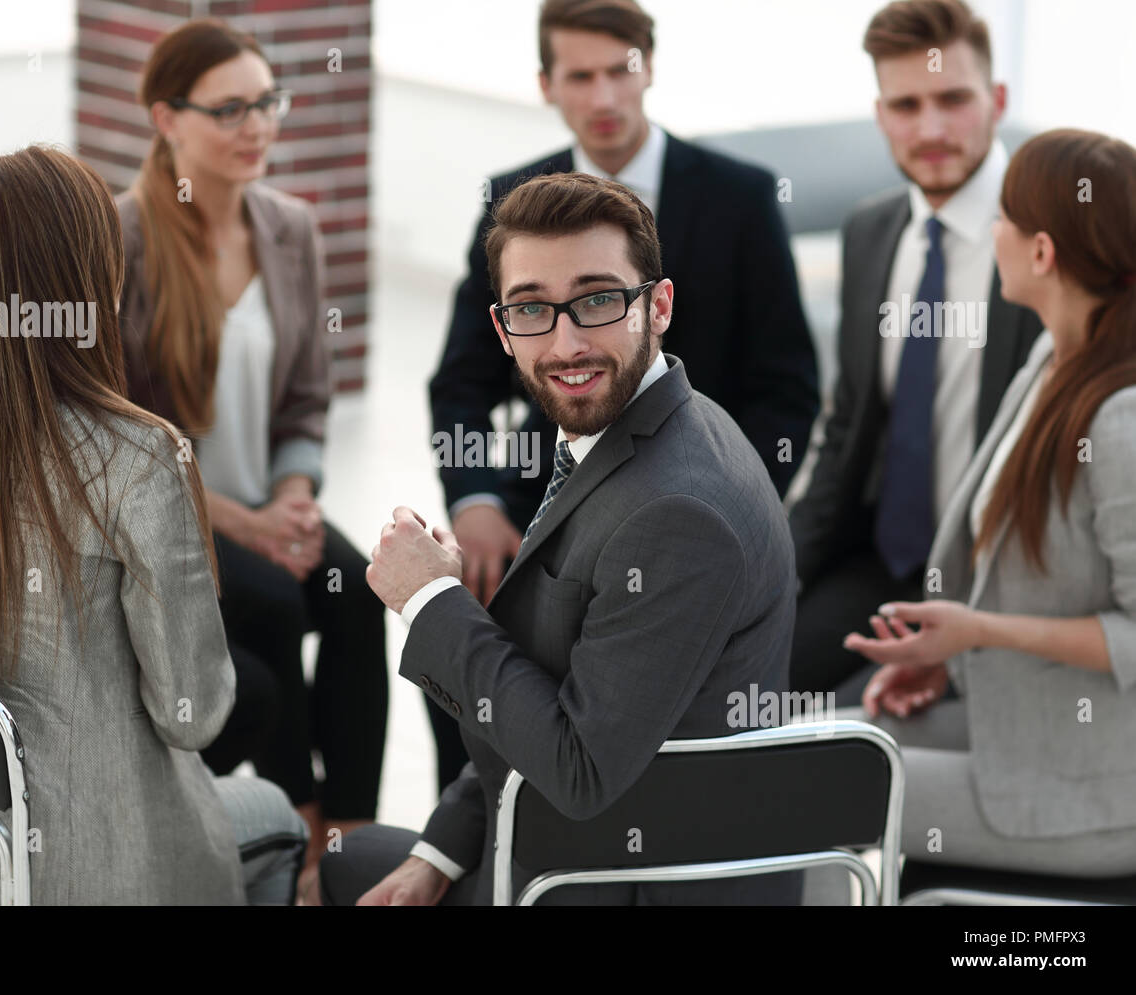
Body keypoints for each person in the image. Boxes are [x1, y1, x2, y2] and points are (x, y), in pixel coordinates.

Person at [0, 145, 306, 904]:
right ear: (89, 280)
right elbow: (197, 710)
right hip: (87, 869)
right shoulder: (139, 455)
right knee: (276, 816)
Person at [319, 172, 802, 906]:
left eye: (599, 299)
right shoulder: (643, 421)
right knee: (354, 860)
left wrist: (432, 599)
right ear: (502, 330)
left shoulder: (678, 515)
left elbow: (578, 767)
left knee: (316, 865)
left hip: (607, 879)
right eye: (532, 309)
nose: (566, 342)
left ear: (659, 305)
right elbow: (546, 679)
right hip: (568, 845)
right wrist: (443, 850)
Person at [425, 0, 818, 790]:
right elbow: (461, 380)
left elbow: (787, 388)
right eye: (581, 75)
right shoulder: (510, 202)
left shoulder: (739, 198)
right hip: (539, 497)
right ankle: (471, 831)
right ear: (547, 84)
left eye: (620, 71)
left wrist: (710, 534)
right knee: (461, 639)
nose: (604, 97)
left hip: (675, 496)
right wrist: (474, 502)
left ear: (649, 69)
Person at [115, 19, 386, 899]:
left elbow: (308, 398)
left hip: (269, 500)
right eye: (229, 109)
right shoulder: (122, 239)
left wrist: (295, 501)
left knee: (356, 591)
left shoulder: (290, 228)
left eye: (267, 101)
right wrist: (247, 525)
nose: (257, 125)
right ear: (167, 118)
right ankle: (300, 830)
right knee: (273, 596)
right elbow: (121, 428)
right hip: (172, 512)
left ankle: (350, 838)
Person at [840, 128, 1136, 878]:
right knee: (809, 743)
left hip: (1092, 787)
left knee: (810, 791)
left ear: (1041, 253)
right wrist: (953, 661)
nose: (990, 233)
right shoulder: (1051, 357)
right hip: (1014, 725)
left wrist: (975, 630)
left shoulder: (1121, 417)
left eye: (1002, 218)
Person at [788, 0, 1042, 705]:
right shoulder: (871, 231)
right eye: (907, 105)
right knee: (739, 681)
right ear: (880, 115)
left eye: (953, 99)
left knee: (847, 730)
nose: (930, 129)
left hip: (998, 581)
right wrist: (768, 570)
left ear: (995, 100)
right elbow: (845, 434)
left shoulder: (1055, 236)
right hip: (882, 559)